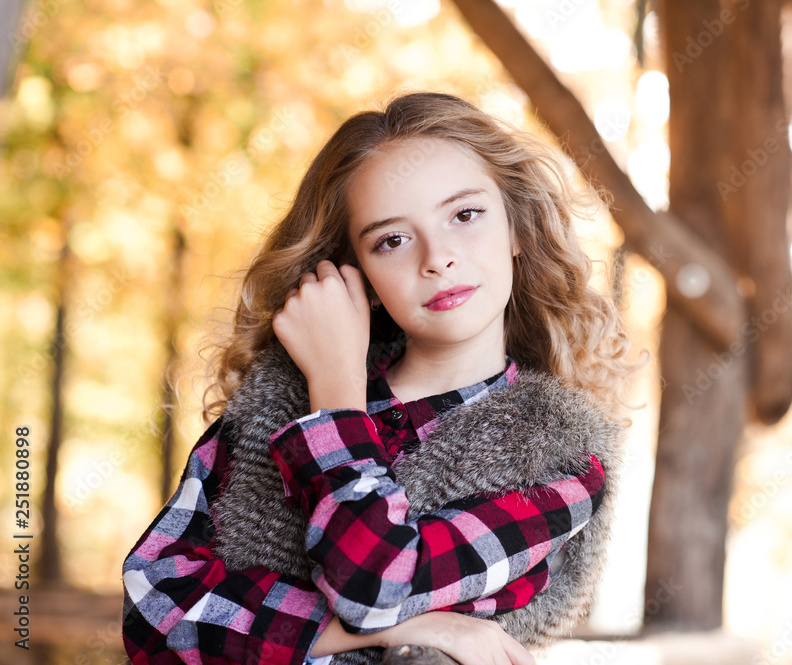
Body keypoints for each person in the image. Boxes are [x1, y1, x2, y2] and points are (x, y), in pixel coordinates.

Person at [122, 91, 640, 665]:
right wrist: (390, 634)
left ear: (518, 229)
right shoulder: (275, 401)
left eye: (465, 215)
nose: (437, 257)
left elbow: (375, 589)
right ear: (357, 274)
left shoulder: (558, 459)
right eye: (392, 240)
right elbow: (152, 605)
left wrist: (336, 403)